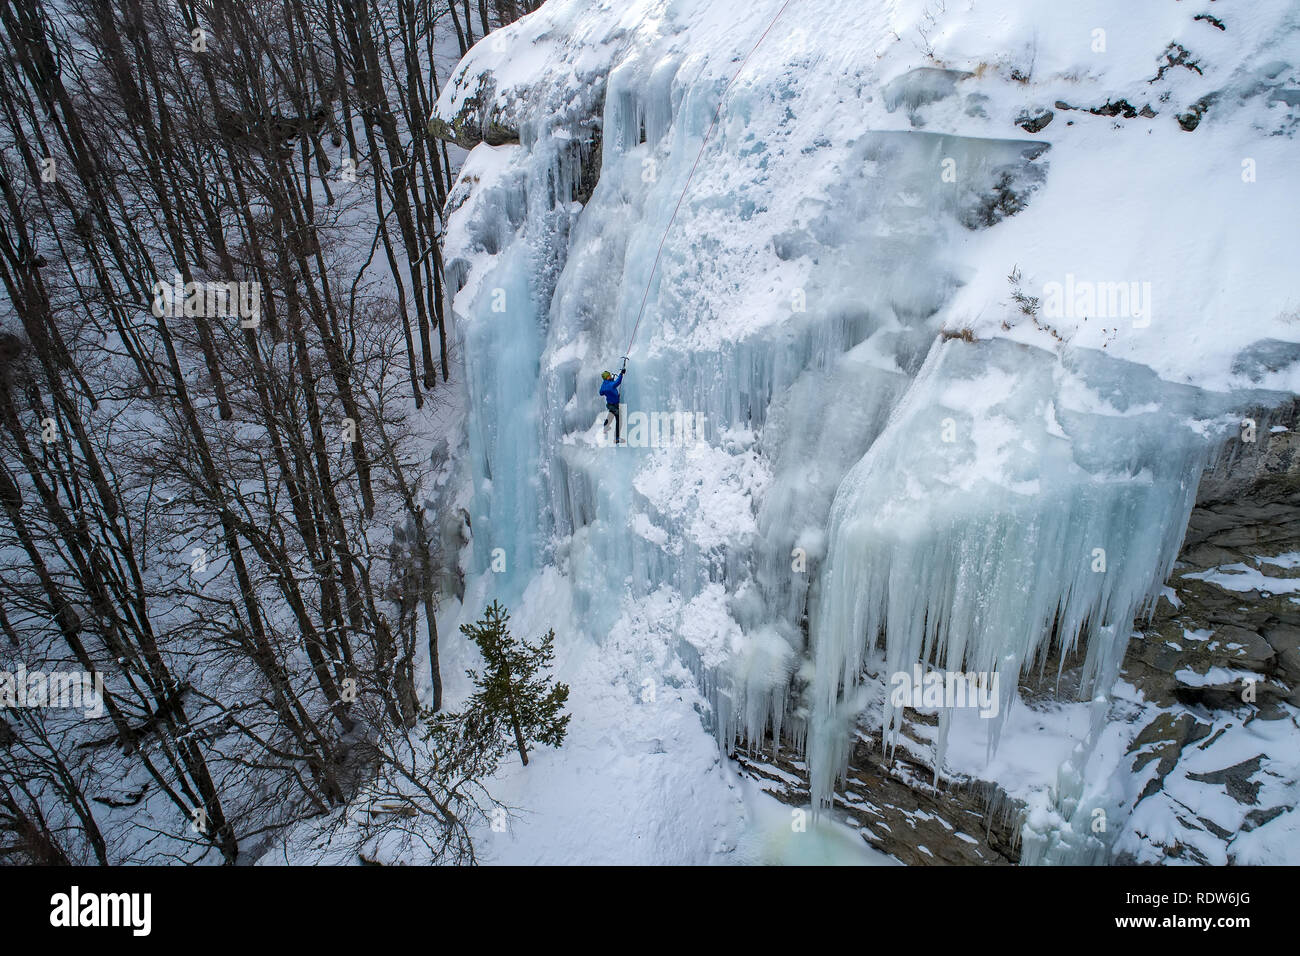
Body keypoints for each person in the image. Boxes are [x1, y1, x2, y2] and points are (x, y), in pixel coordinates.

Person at [599, 366, 626, 444]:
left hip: (610, 404)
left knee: (610, 416)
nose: (610, 376)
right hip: (614, 405)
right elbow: (618, 382)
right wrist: (621, 374)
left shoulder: (604, 385)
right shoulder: (611, 385)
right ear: (607, 377)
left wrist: (610, 383)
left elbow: (601, 392)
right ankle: (616, 438)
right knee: (619, 420)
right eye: (609, 376)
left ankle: (605, 427)